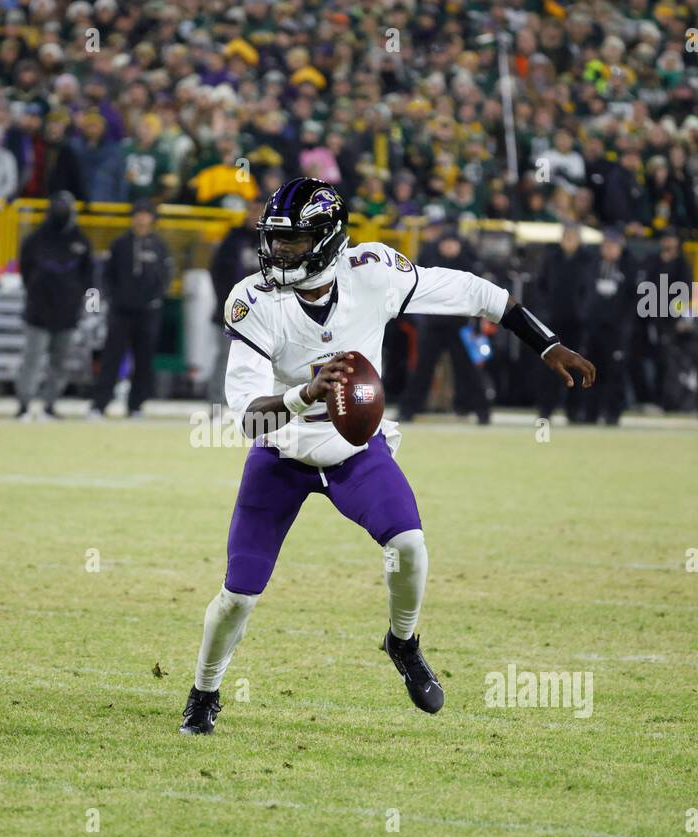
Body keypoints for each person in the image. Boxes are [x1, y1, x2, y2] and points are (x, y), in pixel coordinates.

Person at [179, 178, 595, 734]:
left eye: (295, 242)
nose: (280, 253)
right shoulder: (252, 301)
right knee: (238, 596)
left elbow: (476, 292)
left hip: (354, 448)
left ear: (327, 240)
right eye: (275, 240)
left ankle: (402, 641)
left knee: (410, 546)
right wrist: (306, 393)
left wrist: (544, 341)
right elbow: (250, 420)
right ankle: (204, 693)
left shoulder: (373, 272)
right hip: (281, 454)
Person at [396, 231, 493, 424]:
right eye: (446, 243)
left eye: (453, 243)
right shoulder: (428, 259)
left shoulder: (469, 262)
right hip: (434, 325)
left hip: (460, 325)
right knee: (423, 370)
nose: (449, 247)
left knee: (469, 371)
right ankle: (407, 410)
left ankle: (482, 412)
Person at [91, 198, 172, 418]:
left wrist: (156, 298)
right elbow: (106, 275)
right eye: (138, 213)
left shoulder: (159, 246)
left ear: (152, 218)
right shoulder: (119, 244)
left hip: (148, 312)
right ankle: (99, 405)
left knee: (144, 360)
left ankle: (136, 405)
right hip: (120, 311)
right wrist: (111, 298)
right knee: (111, 358)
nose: (142, 218)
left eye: (146, 214)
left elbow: (165, 276)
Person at [15, 191, 92, 421]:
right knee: (33, 360)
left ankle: (49, 405)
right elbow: (25, 271)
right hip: (38, 312)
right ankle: (24, 406)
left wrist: (89, 306)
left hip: (67, 314)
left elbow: (90, 278)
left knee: (59, 363)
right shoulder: (36, 239)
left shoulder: (81, 241)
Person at [576, 228, 635, 425]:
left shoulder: (629, 268)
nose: (609, 249)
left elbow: (633, 299)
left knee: (615, 372)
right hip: (593, 328)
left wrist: (626, 324)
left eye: (613, 245)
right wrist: (585, 315)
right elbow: (582, 292)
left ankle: (612, 413)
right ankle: (590, 412)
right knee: (590, 370)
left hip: (616, 330)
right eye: (606, 245)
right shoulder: (592, 266)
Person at [207, 196, 262, 405]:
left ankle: (257, 405)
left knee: (265, 362)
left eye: (260, 210)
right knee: (226, 358)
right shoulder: (232, 239)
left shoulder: (275, 239)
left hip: (265, 313)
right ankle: (217, 404)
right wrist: (226, 304)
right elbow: (217, 273)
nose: (255, 214)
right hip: (234, 311)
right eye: (252, 209)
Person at [533, 223, 591, 421]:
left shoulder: (587, 260)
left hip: (577, 322)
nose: (569, 241)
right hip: (553, 322)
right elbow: (540, 285)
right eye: (566, 237)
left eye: (573, 237)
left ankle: (574, 410)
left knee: (576, 365)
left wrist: (584, 312)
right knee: (550, 366)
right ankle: (546, 409)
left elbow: (589, 291)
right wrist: (545, 310)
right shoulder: (551, 259)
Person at [634, 228, 690, 410]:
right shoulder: (653, 261)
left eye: (671, 239)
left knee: (665, 361)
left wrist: (680, 317)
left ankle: (663, 400)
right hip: (648, 318)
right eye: (665, 239)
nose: (667, 243)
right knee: (639, 358)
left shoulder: (682, 265)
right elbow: (643, 287)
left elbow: (685, 294)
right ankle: (646, 399)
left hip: (669, 320)